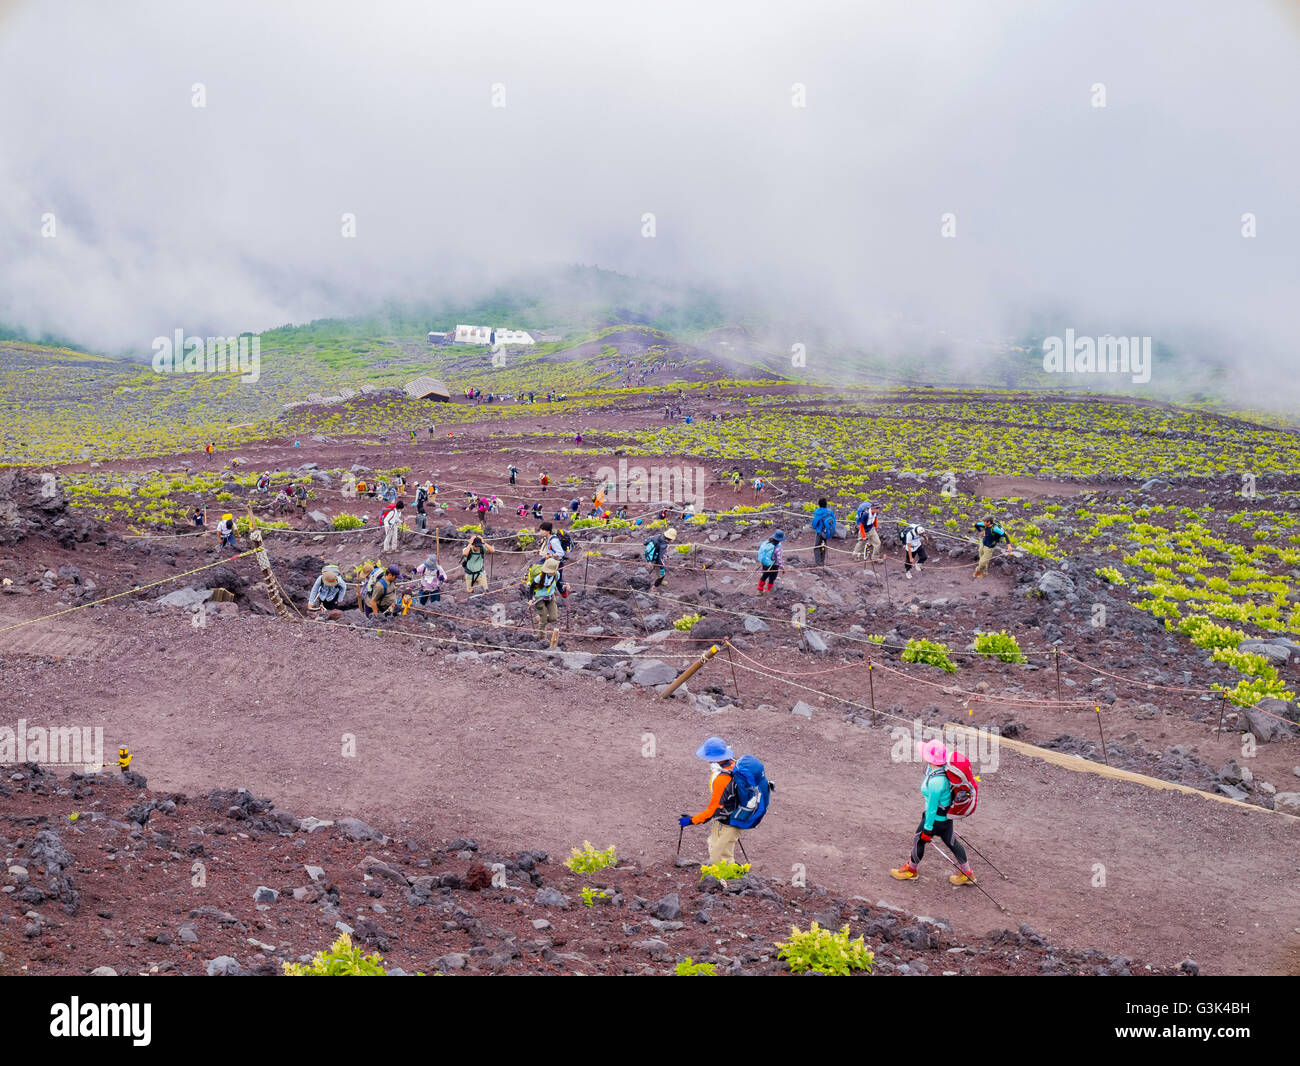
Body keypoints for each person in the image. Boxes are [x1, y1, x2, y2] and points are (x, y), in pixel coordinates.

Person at [890, 739, 976, 885]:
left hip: (935, 820)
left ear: (931, 759)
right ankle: (968, 873)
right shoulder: (943, 771)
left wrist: (927, 829)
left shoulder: (937, 782)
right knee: (952, 843)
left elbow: (931, 808)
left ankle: (911, 871)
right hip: (946, 818)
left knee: (918, 841)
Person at [678, 737, 770, 865]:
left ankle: (731, 880)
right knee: (714, 845)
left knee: (718, 857)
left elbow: (713, 810)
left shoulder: (722, 779)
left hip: (731, 821)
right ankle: (727, 873)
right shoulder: (733, 764)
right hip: (729, 816)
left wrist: (692, 820)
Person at [527, 556, 564, 647]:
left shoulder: (557, 575)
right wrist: (530, 599)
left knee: (553, 618)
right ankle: (542, 639)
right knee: (543, 620)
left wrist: (564, 589)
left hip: (550, 597)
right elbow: (531, 587)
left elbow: (559, 585)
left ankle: (539, 619)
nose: (549, 573)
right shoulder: (540, 577)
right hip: (539, 598)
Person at [756, 529, 785, 594]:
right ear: (780, 539)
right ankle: (769, 591)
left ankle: (760, 590)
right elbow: (779, 559)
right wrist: (782, 568)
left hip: (765, 563)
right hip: (774, 565)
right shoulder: (778, 548)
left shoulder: (767, 543)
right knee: (772, 578)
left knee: (764, 576)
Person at [811, 497, 836, 567]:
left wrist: (817, 528)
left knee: (817, 547)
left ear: (819, 504)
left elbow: (813, 524)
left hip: (820, 533)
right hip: (827, 532)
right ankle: (822, 561)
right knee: (823, 545)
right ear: (826, 504)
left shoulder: (818, 513)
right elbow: (834, 521)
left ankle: (818, 563)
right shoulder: (830, 512)